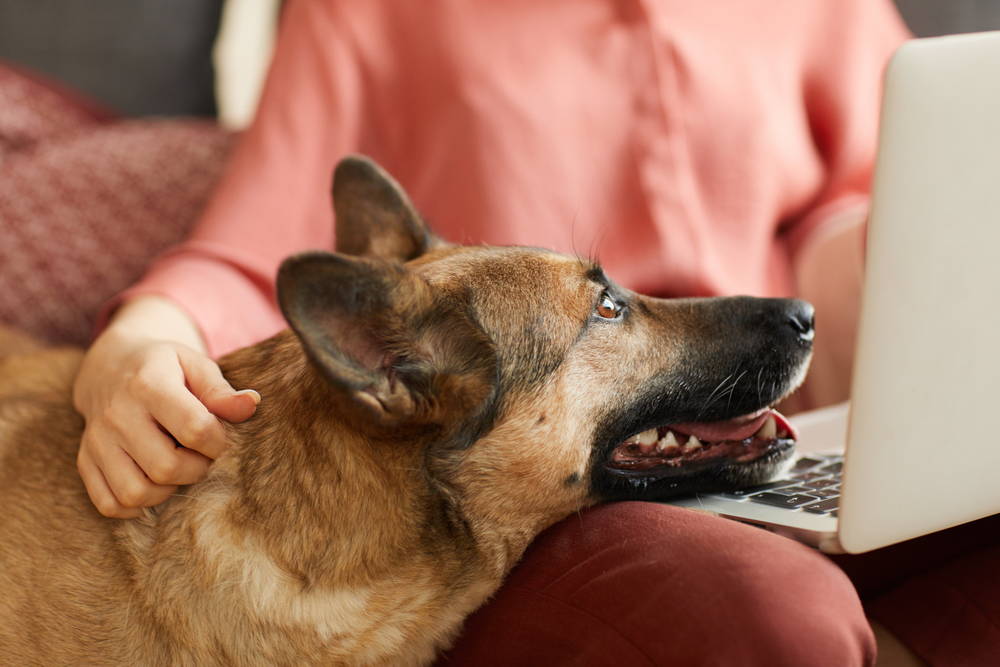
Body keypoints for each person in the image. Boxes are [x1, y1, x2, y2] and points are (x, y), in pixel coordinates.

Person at [68, 1, 998, 664]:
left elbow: (874, 190)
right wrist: (136, 346)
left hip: (778, 406)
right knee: (776, 610)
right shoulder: (371, 9)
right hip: (545, 471)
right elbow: (248, 252)